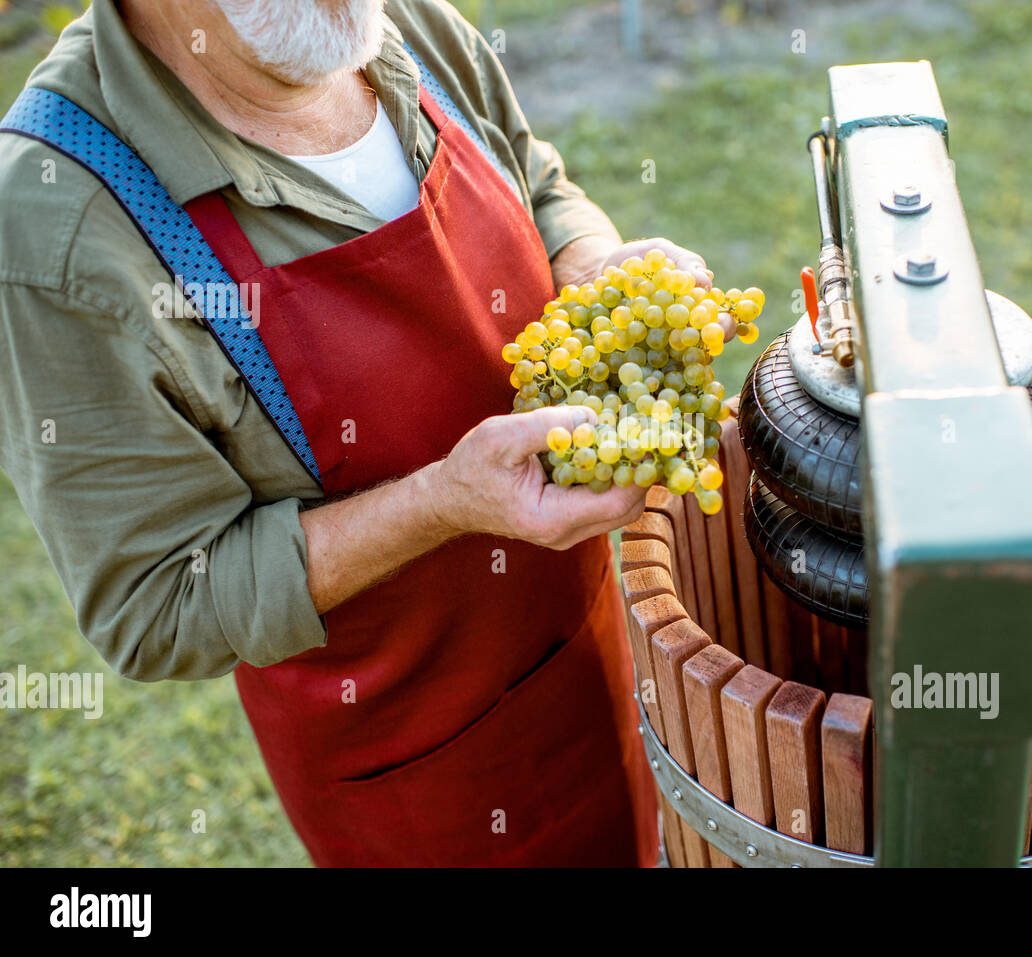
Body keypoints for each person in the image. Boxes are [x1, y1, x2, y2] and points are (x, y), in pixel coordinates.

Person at [0, 0, 729, 866]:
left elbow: (537, 184)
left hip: (587, 653)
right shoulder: (58, 218)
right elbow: (157, 604)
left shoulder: (391, 23)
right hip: (414, 774)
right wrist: (441, 503)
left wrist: (592, 261)